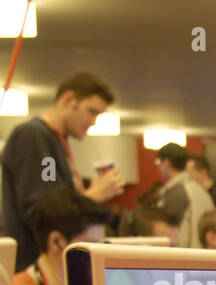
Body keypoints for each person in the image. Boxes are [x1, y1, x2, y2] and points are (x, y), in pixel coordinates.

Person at [1, 72, 124, 272]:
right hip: (31, 270)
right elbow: (43, 211)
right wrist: (92, 197)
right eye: (91, 111)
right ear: (68, 100)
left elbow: (50, 196)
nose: (93, 121)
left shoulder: (54, 141)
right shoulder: (35, 137)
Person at [152, 143, 213, 248]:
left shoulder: (176, 191)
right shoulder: (198, 189)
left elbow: (172, 231)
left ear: (166, 162)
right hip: (202, 250)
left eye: (159, 162)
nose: (159, 167)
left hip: (186, 253)